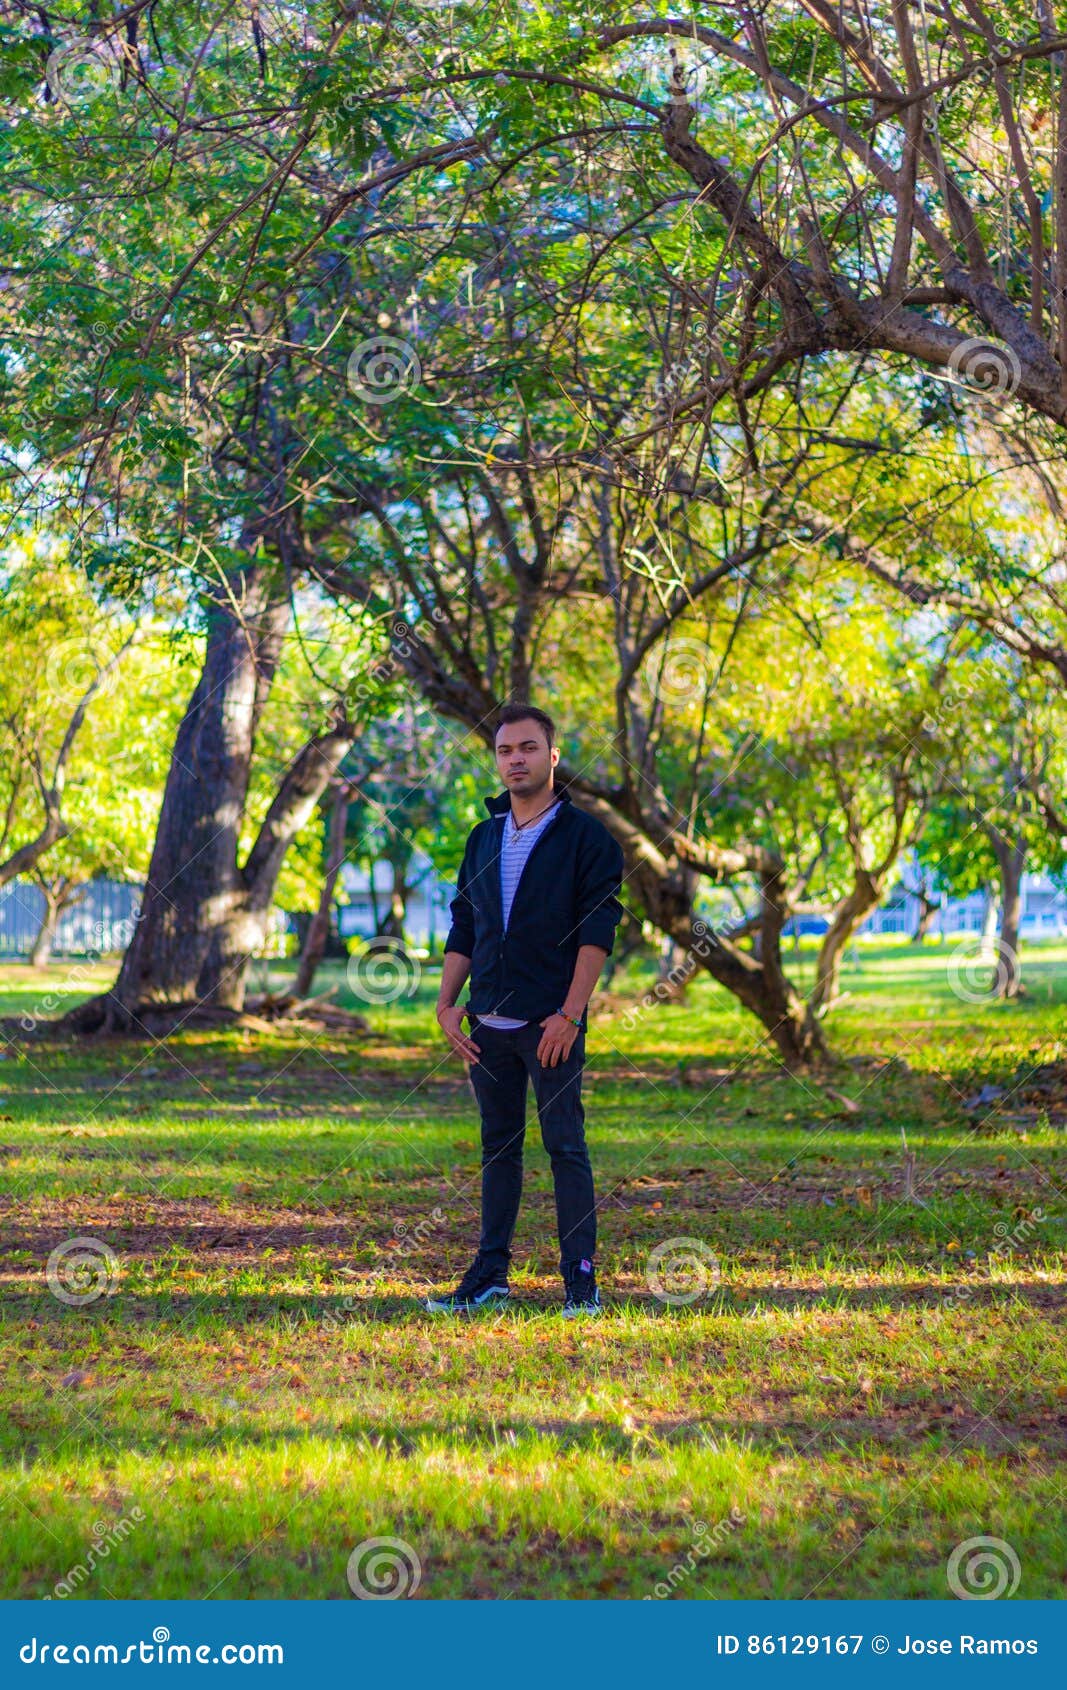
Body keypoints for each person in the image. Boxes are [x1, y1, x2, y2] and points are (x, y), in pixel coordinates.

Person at [428, 703, 624, 1318]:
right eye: (505, 751)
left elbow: (597, 932)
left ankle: (580, 1283)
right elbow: (466, 922)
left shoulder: (585, 837)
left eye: (528, 749)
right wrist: (446, 1004)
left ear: (552, 756)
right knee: (497, 1148)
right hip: (488, 1023)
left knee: (565, 1146)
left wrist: (570, 1014)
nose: (515, 760)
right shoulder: (483, 837)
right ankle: (490, 1277)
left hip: (550, 1025)